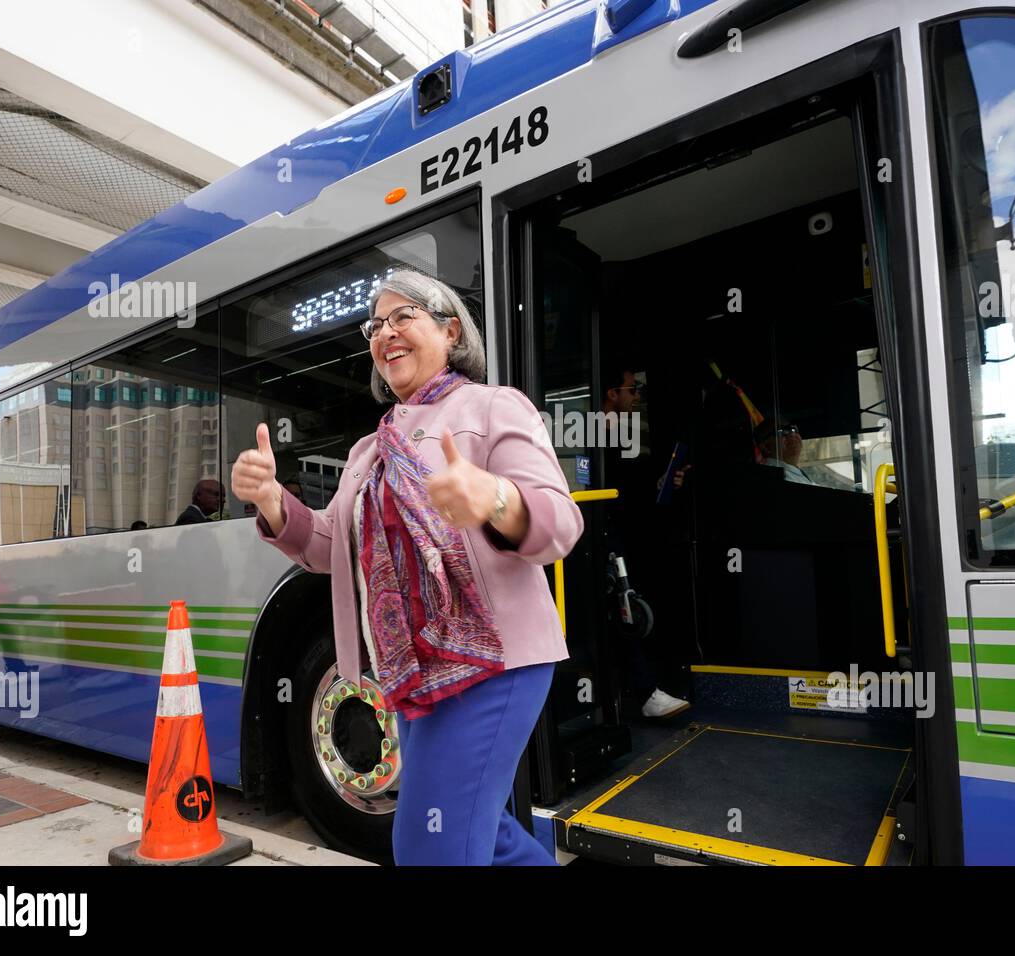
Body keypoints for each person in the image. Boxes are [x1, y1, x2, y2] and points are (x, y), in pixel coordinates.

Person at [233, 268, 583, 866]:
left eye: (403, 317)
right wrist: (273, 502)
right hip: (412, 676)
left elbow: (560, 523)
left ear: (451, 332)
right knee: (482, 834)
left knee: (428, 845)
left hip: (493, 665)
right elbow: (328, 548)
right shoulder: (367, 452)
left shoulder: (495, 406)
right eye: (375, 325)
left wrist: (494, 498)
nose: (385, 332)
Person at [600, 363, 691, 719]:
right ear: (612, 394)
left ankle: (645, 688)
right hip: (602, 533)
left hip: (622, 530)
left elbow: (629, 487)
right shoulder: (598, 435)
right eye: (632, 390)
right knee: (624, 608)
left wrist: (660, 484)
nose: (637, 396)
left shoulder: (624, 433)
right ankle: (646, 692)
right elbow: (611, 489)